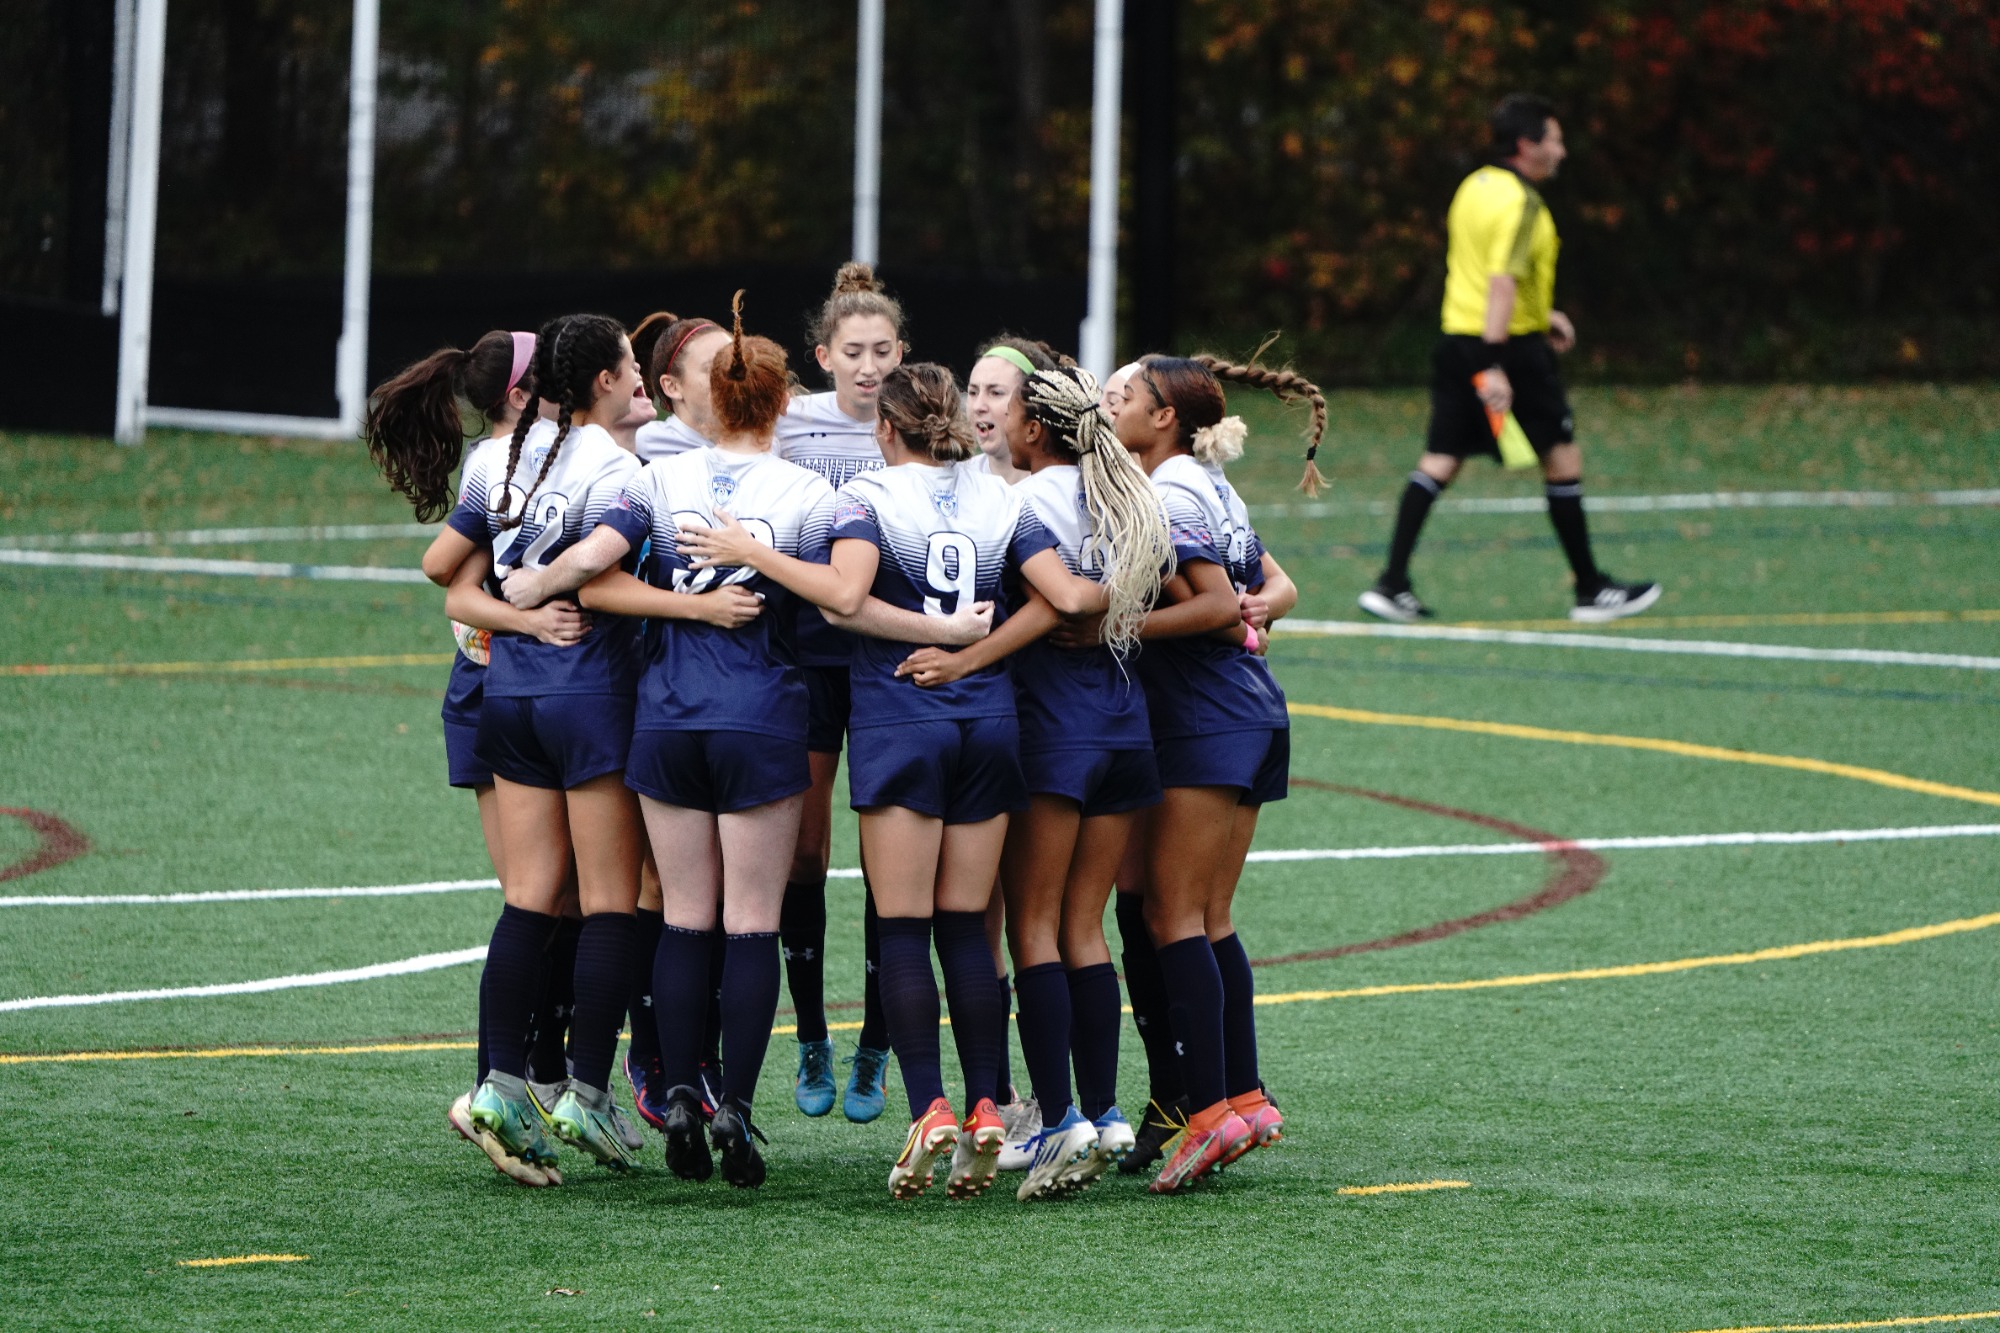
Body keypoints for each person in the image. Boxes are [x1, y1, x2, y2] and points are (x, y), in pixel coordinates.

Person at [677, 362, 1108, 1201]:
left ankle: (932, 1109)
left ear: (886, 429)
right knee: (964, 929)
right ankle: (988, 1105)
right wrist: (976, 652)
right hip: (987, 725)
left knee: (905, 927)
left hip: (901, 717)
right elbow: (1063, 599)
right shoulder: (1000, 498)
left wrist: (752, 550)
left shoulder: (864, 499)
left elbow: (843, 601)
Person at [501, 298, 833, 1187]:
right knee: (751, 922)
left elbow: (595, 576)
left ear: (711, 401)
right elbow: (842, 597)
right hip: (761, 714)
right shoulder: (807, 492)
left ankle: (678, 1089)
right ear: (779, 401)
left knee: (684, 915)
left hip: (668, 717)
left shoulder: (657, 479)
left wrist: (529, 585)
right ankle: (736, 1108)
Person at [896, 363, 1173, 1199]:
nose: (992, 417)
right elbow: (1129, 586)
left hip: (1056, 732)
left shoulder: (1029, 502)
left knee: (1036, 930)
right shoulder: (1122, 494)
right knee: (1086, 927)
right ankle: (1103, 1109)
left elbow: (1058, 601)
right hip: (1127, 724)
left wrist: (965, 659)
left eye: (1005, 406)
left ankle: (1058, 1121)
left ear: (1034, 430)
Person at [426, 313, 653, 1178]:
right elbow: (609, 559)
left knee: (527, 900)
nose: (636, 375)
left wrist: (519, 606)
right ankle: (587, 1096)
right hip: (591, 695)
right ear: (601, 380)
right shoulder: (617, 467)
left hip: (510, 698)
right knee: (607, 903)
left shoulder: (496, 460)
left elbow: (453, 576)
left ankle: (498, 1086)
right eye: (628, 364)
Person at [368, 329, 587, 1187]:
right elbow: (443, 570)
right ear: (527, 391)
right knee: (537, 897)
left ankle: (528, 1075)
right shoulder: (508, 462)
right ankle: (493, 1086)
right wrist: (521, 613)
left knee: (556, 897)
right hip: (500, 688)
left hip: (516, 689)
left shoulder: (534, 453)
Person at [1110, 352, 1311, 1193]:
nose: (1107, 403)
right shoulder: (1208, 481)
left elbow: (1219, 604)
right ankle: (1242, 1093)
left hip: (1206, 715)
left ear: (1162, 418)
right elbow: (1272, 587)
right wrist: (1252, 612)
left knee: (1172, 916)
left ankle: (1207, 1114)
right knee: (1210, 916)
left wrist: (1111, 627)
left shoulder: (1168, 491)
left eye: (1122, 395)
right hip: (1250, 708)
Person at [1359, 93, 1659, 625]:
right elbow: (1500, 282)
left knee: (1440, 460)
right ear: (1527, 145)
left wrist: (1542, 315)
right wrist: (1497, 362)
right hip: (1506, 349)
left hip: (1459, 339)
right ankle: (1590, 590)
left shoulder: (1473, 186)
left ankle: (1391, 583)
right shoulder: (1522, 203)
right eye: (1555, 139)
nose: (1562, 151)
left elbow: (1480, 274)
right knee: (1562, 457)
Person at [773, 262, 904, 1122]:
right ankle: (814, 1035)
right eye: (853, 351)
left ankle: (877, 1048)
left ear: (903, 353)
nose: (869, 366)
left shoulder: (928, 424)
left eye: (883, 350)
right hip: (811, 656)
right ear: (823, 355)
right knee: (806, 855)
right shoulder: (789, 426)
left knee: (895, 864)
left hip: (895, 658)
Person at [630, 310, 730, 462]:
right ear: (672, 387)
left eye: (736, 365)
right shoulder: (640, 444)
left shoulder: (767, 441)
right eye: (711, 368)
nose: (731, 377)